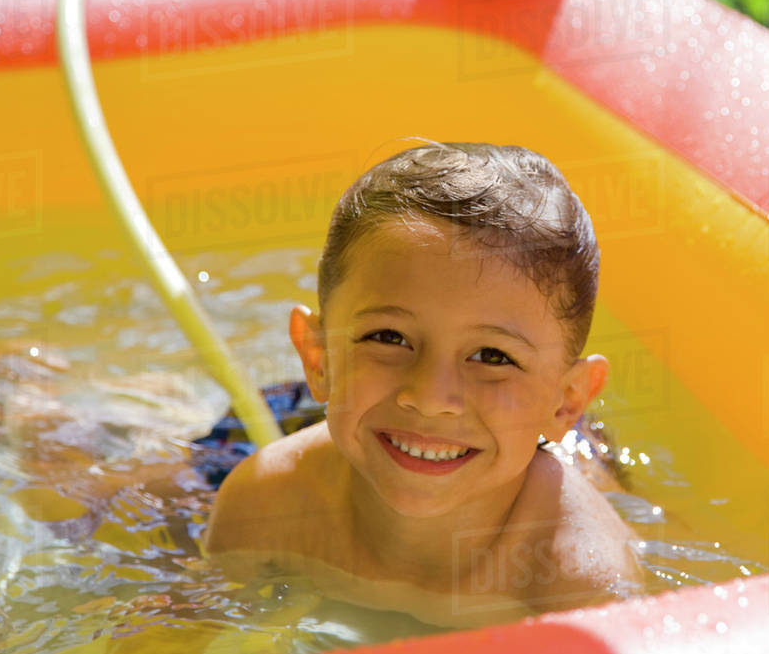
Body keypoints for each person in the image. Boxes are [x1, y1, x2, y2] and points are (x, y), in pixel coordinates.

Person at [202, 141, 647, 628]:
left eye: (492, 355)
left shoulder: (577, 579)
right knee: (170, 486)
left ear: (567, 402)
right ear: (319, 357)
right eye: (388, 336)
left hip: (552, 449)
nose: (431, 396)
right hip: (306, 412)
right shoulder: (266, 503)